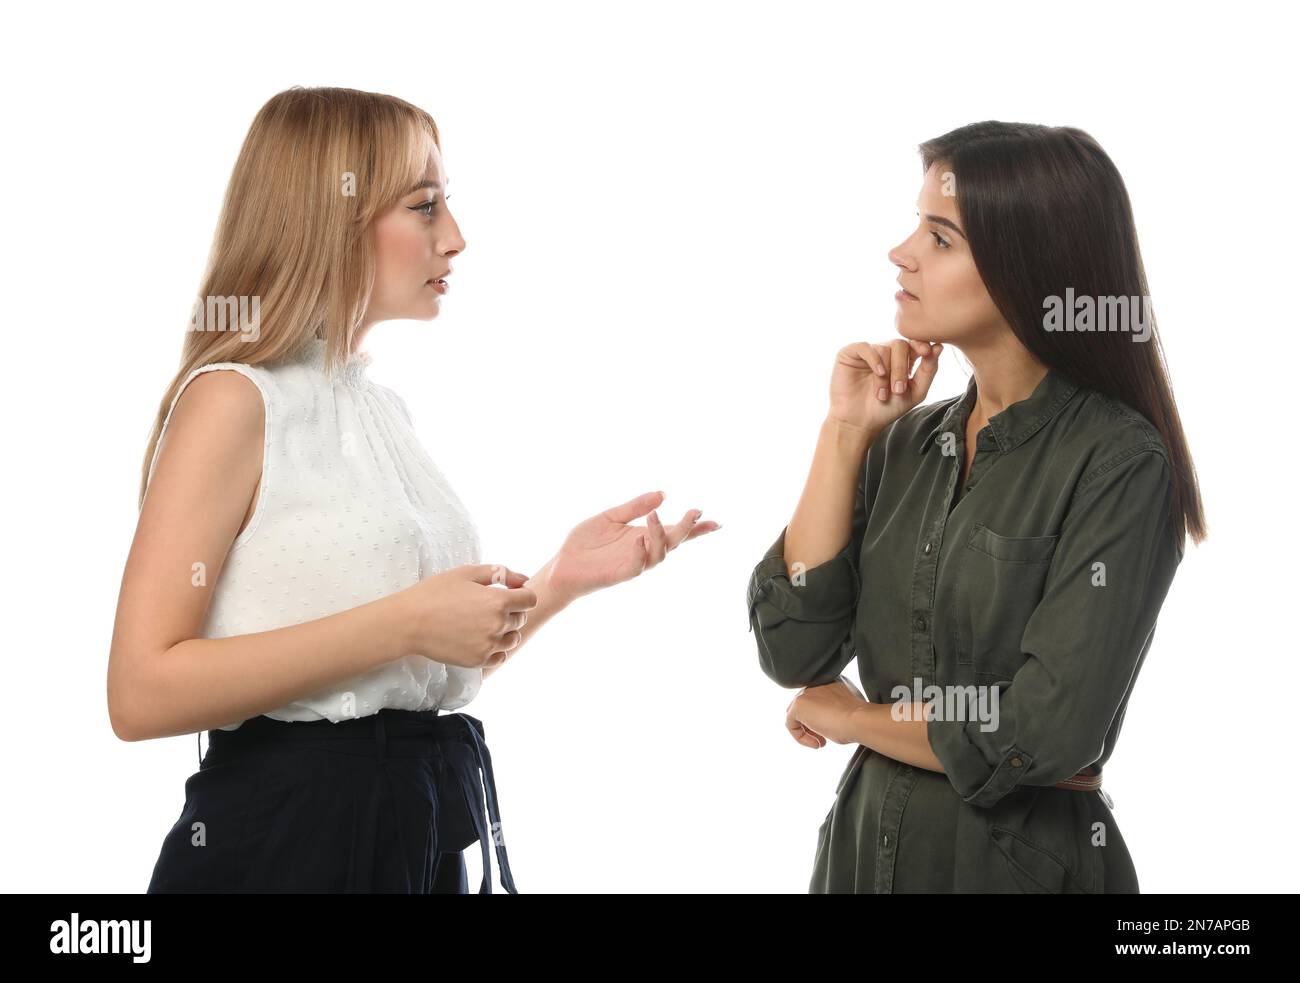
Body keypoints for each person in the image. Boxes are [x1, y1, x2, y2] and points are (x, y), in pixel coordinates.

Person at [109, 86, 719, 893]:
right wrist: (404, 621)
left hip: (415, 834)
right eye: (425, 207)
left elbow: (397, 677)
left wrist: (558, 582)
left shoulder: (377, 407)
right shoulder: (233, 400)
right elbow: (139, 690)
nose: (456, 238)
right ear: (331, 215)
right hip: (281, 851)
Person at [747, 121, 1204, 893]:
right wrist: (845, 433)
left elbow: (1043, 729)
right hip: (864, 857)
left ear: (1030, 267)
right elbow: (794, 648)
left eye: (940, 238)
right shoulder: (906, 442)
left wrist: (855, 720)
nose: (902, 253)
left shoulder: (1118, 461)